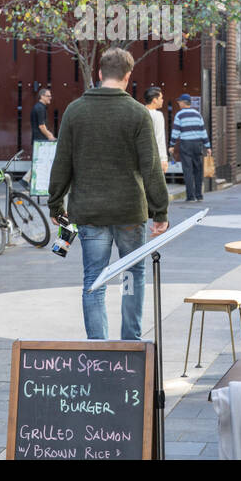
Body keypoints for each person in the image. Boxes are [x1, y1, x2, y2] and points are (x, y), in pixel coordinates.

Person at [47, 48, 169, 341]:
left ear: (99, 74)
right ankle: (131, 343)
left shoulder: (75, 111)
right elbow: (150, 167)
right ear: (128, 77)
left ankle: (98, 350)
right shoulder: (138, 113)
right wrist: (160, 211)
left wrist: (55, 204)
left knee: (94, 280)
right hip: (129, 211)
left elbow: (62, 161)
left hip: (89, 212)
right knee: (131, 276)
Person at [169, 93, 211, 202]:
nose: (178, 103)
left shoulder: (180, 115)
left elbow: (175, 131)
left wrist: (172, 145)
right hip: (197, 144)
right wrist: (208, 146)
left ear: (184, 102)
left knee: (188, 170)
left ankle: (190, 196)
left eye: (179, 101)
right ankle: (199, 195)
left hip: (186, 144)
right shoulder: (198, 114)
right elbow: (203, 131)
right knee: (198, 170)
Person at [143, 86, 168, 171]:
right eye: (161, 98)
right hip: (154, 156)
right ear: (154, 100)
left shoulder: (139, 112)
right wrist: (163, 159)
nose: (162, 100)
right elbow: (159, 138)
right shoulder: (158, 115)